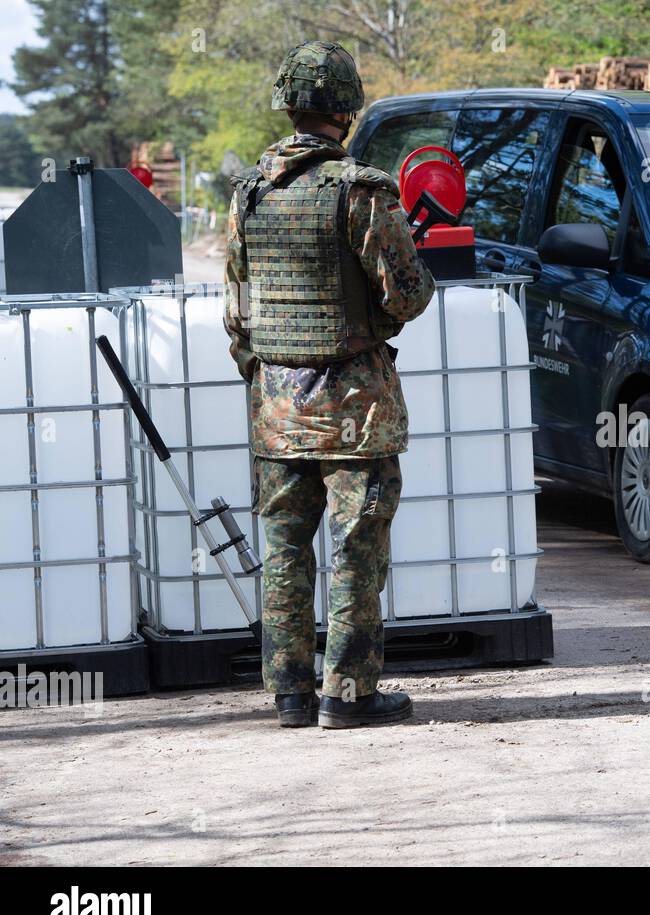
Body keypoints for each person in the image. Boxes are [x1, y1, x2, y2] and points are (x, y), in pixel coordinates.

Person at [224, 40, 434, 729]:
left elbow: (237, 311)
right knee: (355, 552)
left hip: (277, 410)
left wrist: (266, 377)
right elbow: (406, 296)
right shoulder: (363, 190)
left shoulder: (249, 193)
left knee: (284, 553)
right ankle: (347, 696)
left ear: (286, 106)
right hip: (355, 412)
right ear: (347, 111)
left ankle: (289, 695)